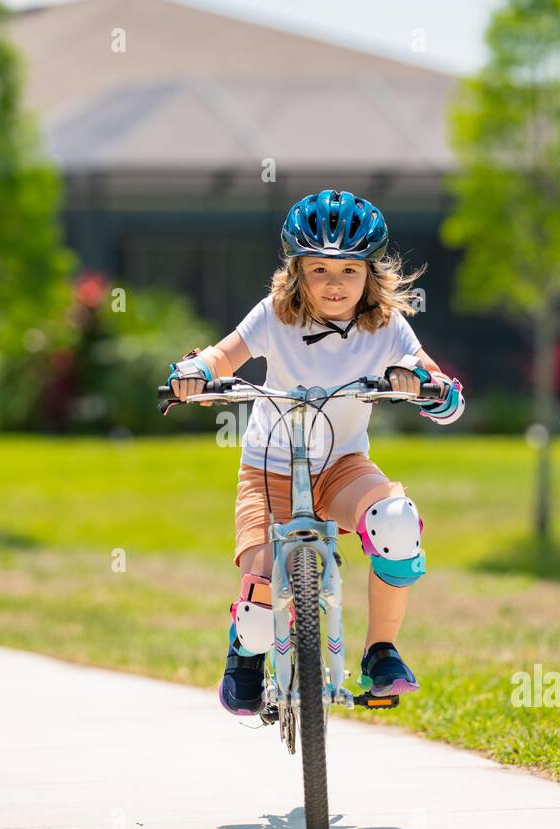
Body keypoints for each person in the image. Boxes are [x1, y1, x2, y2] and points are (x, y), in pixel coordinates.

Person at [166, 189, 466, 716]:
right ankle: (246, 652)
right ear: (296, 272)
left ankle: (381, 654)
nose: (335, 284)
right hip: (270, 470)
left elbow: (432, 376)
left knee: (395, 521)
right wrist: (195, 374)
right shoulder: (275, 316)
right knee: (262, 592)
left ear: (370, 275)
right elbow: (224, 355)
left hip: (342, 467)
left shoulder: (387, 326)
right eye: (320, 269)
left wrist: (432, 388)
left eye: (349, 271)